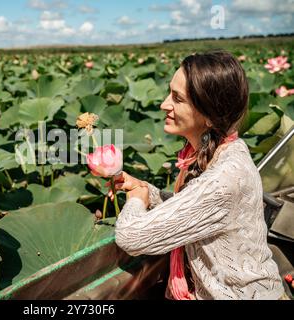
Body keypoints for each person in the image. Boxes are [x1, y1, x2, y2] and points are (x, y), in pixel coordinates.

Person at [110, 50, 286, 300]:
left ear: (209, 115)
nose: (164, 105)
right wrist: (146, 189)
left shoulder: (224, 178)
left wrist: (137, 200)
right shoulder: (227, 149)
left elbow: (131, 236)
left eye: (177, 98)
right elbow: (197, 209)